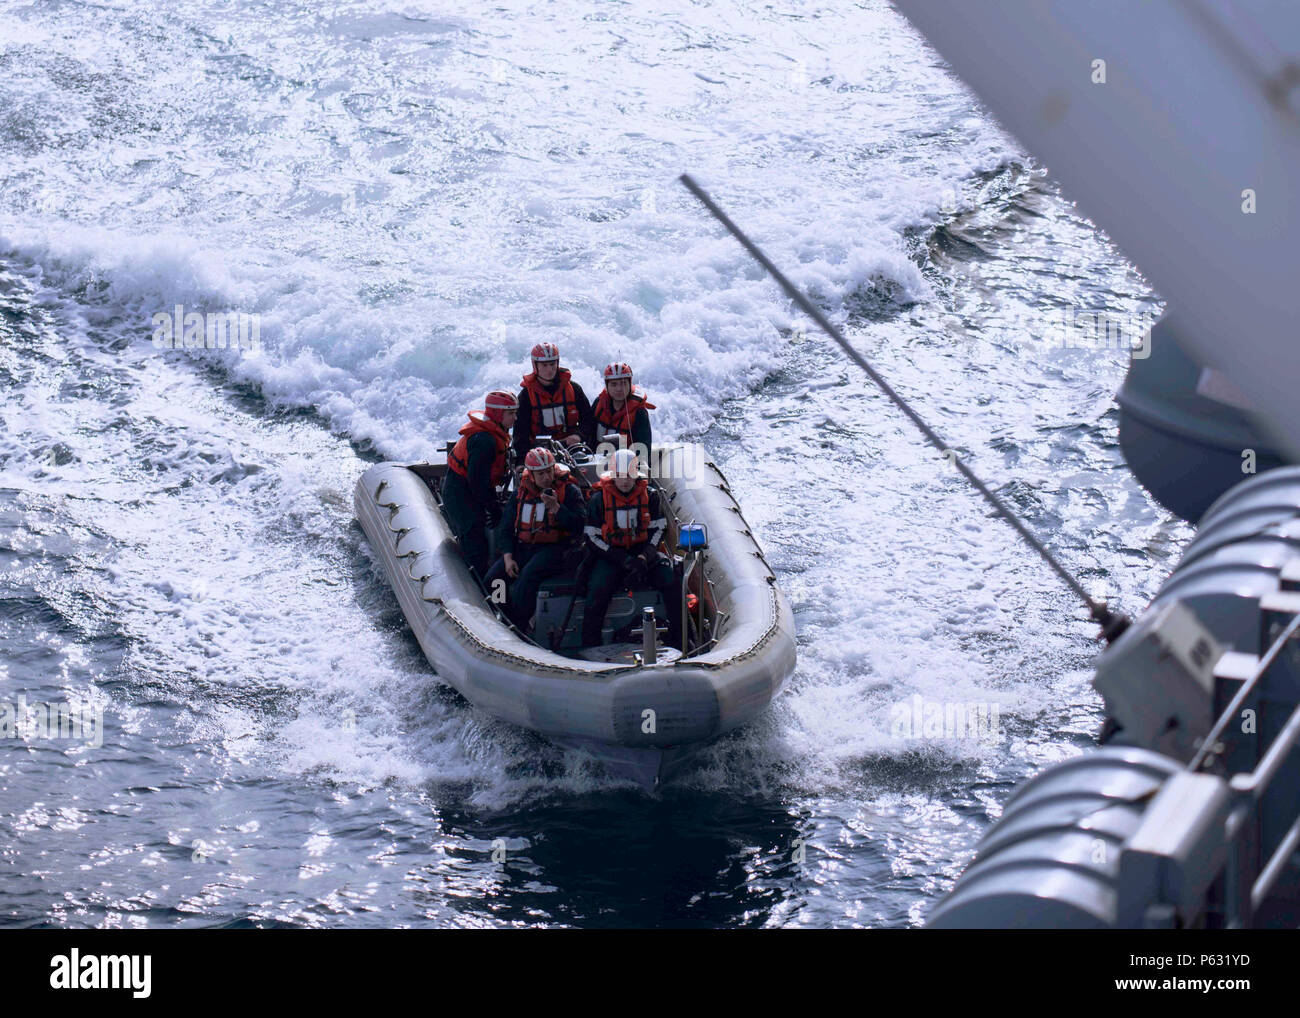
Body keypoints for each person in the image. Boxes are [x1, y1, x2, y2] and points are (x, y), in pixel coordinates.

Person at [580, 448, 682, 648]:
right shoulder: (599, 500)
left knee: (670, 580)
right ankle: (590, 643)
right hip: (611, 556)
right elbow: (591, 536)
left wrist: (644, 557)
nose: (625, 481)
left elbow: (658, 529)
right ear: (612, 475)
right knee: (597, 590)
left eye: (629, 476)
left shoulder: (650, 497)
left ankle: (678, 638)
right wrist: (619, 558)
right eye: (620, 476)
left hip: (643, 554)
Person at [485, 447, 587, 630]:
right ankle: (505, 613)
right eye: (541, 473)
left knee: (528, 576)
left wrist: (557, 508)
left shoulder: (569, 491)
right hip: (525, 547)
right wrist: (508, 558)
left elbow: (580, 525)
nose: (547, 477)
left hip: (557, 549)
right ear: (531, 474)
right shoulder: (519, 494)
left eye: (549, 471)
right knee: (494, 579)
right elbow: (506, 528)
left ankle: (520, 624)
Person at [441, 390, 517, 579]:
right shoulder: (484, 441)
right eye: (511, 414)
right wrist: (493, 508)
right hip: (460, 491)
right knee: (473, 535)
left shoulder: (496, 434)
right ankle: (476, 581)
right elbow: (477, 483)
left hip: (471, 487)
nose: (515, 418)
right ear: (498, 415)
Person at [513, 342, 595, 461]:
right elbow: (520, 435)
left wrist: (579, 435)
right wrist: (521, 462)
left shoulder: (574, 389)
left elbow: (588, 420)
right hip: (539, 455)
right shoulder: (526, 397)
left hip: (572, 450)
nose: (549, 369)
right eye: (544, 365)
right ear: (535, 366)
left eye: (552, 364)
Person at [591, 362, 654, 453]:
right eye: (614, 384)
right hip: (596, 460)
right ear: (607, 386)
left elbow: (643, 448)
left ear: (630, 384)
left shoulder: (639, 412)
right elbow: (588, 433)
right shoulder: (598, 403)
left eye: (623, 383)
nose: (619, 389)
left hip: (627, 462)